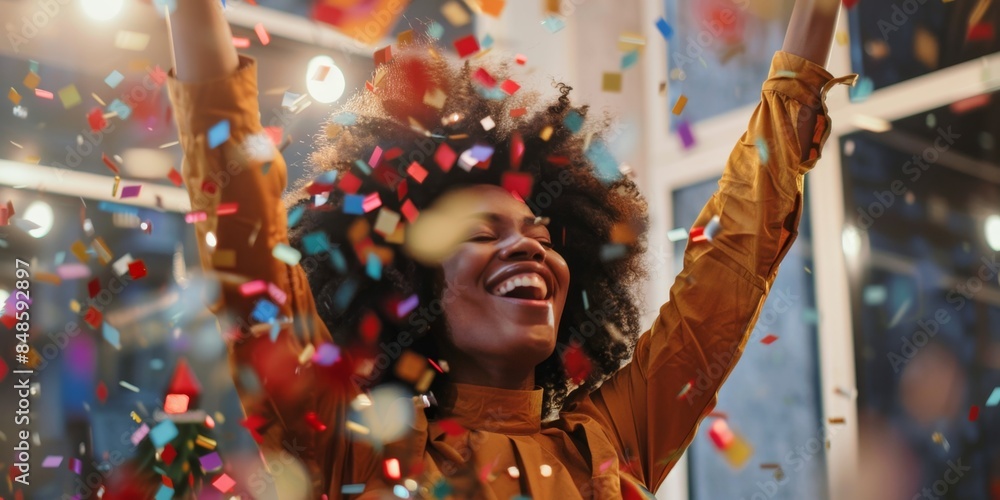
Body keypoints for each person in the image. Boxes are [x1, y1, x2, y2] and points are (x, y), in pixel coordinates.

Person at [164, 0, 856, 497]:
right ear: (414, 283)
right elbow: (249, 262)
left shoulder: (611, 445)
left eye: (543, 235)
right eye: (482, 234)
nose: (528, 248)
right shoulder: (358, 450)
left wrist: (812, 31)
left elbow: (729, 269)